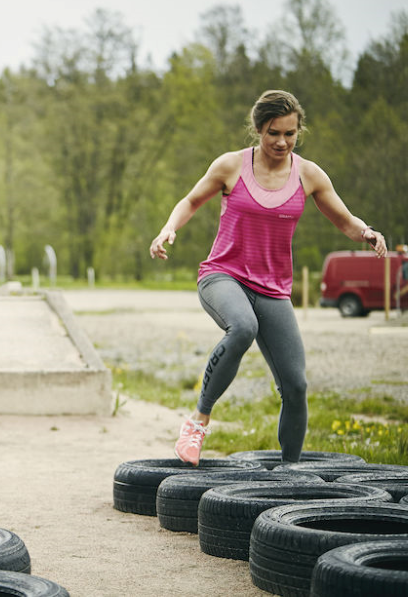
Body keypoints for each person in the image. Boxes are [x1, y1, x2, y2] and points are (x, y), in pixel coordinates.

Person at [149, 90, 386, 466]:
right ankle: (198, 421)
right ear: (259, 129)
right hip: (223, 276)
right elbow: (191, 200)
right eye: (274, 132)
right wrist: (168, 229)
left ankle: (289, 473)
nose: (282, 142)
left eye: (290, 134)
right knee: (242, 327)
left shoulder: (308, 174)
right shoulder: (231, 166)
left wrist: (366, 232)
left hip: (273, 290)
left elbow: (344, 219)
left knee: (295, 386)